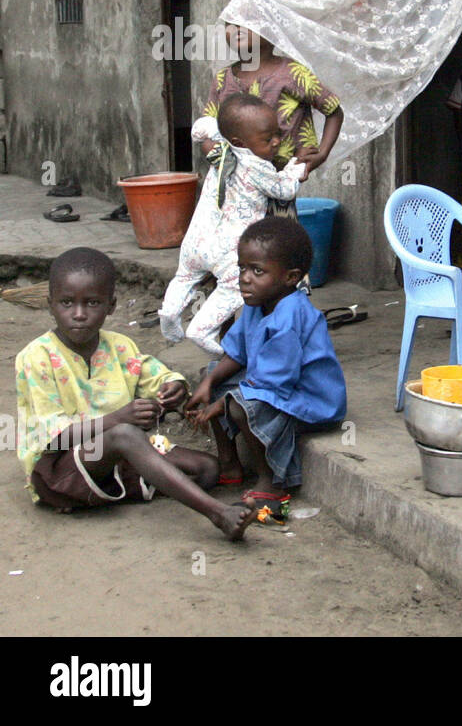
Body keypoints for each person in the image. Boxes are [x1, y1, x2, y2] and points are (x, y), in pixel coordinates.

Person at [15, 248, 257, 540]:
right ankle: (218, 514)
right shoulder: (36, 357)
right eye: (67, 303)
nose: (78, 314)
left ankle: (104, 493)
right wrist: (117, 419)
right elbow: (55, 437)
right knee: (126, 434)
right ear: (50, 304)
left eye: (92, 303)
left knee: (207, 469)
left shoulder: (119, 346)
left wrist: (174, 390)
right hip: (58, 469)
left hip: (113, 459)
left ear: (111, 305)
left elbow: (159, 376)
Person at [186, 217, 347, 521]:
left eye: (257, 271)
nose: (245, 279)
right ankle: (229, 464)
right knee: (213, 374)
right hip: (275, 385)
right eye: (242, 268)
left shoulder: (290, 316)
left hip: (311, 400)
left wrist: (219, 406)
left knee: (239, 406)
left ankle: (272, 481)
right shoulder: (256, 304)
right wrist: (209, 383)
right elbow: (238, 353)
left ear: (290, 277)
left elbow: (272, 383)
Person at [159, 93, 306, 355]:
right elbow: (284, 190)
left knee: (184, 277)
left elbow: (201, 127)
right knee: (233, 288)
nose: (276, 142)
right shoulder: (256, 166)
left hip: (197, 240)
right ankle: (202, 329)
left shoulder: (221, 147)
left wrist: (219, 127)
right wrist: (295, 168)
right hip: (228, 249)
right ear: (241, 141)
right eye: (268, 138)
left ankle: (169, 313)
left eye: (277, 134)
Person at [199, 23, 344, 216]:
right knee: (235, 241)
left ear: (271, 30)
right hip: (235, 190)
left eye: (246, 23)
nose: (237, 29)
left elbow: (334, 110)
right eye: (230, 25)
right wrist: (224, 160)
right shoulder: (222, 79)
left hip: (279, 184)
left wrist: (322, 153)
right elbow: (207, 130)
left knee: (278, 239)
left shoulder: (292, 73)